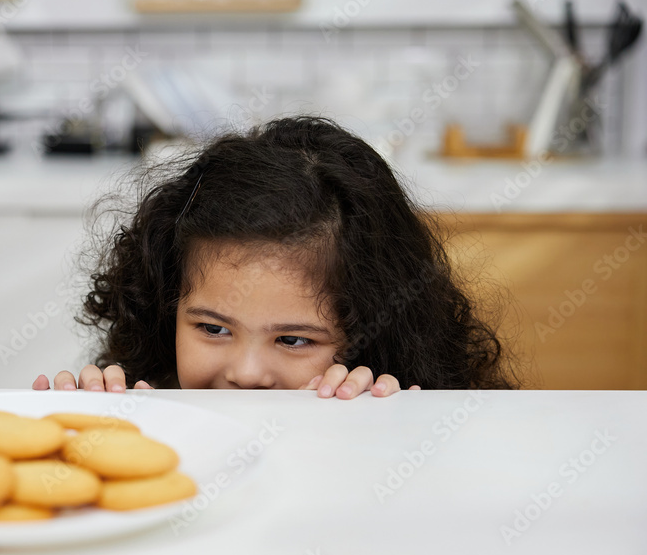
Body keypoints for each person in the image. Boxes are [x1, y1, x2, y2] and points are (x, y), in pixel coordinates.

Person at [32, 116, 519, 398]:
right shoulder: (148, 400)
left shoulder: (380, 407)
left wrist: (402, 438)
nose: (245, 374)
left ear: (375, 332)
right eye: (213, 329)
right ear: (165, 313)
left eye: (291, 339)